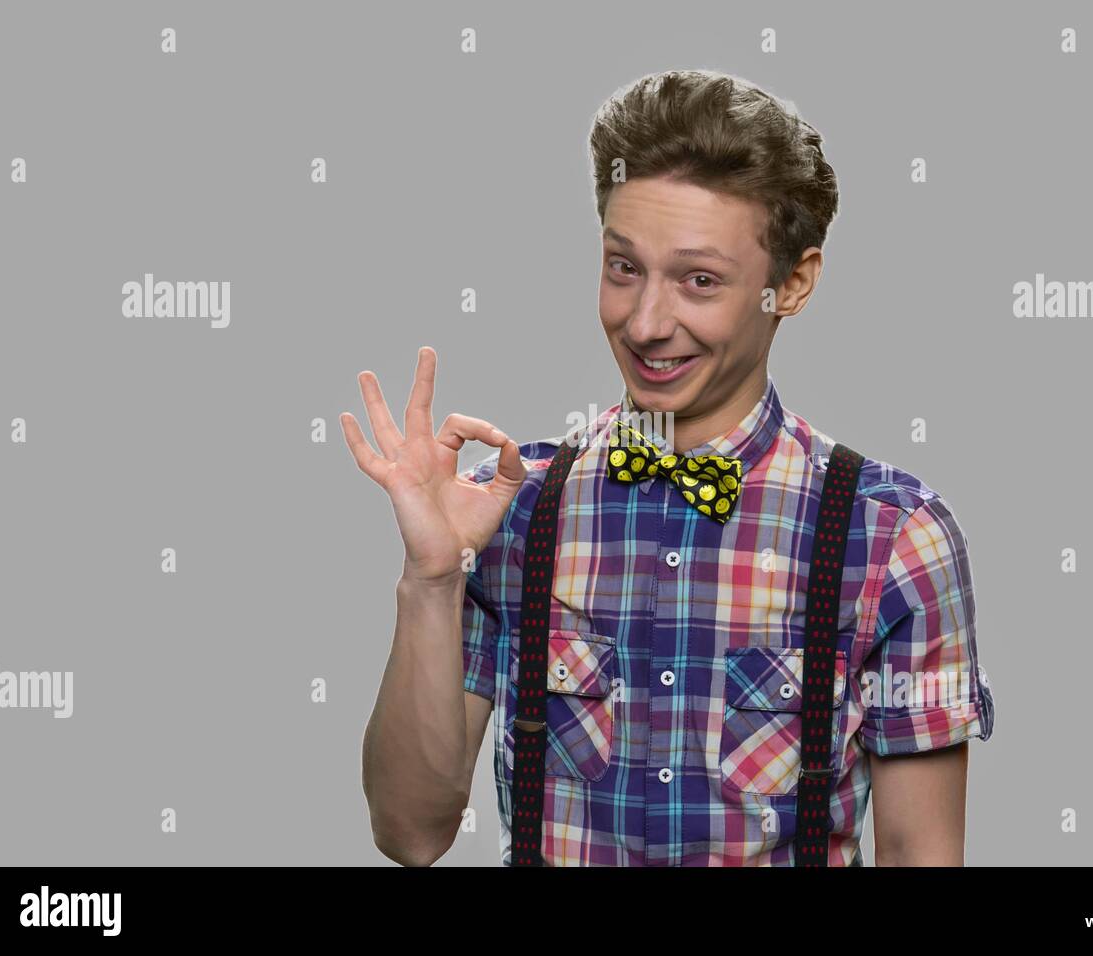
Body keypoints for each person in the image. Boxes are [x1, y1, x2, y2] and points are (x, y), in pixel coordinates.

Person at [341, 69, 995, 867]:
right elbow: (410, 833)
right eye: (624, 268)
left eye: (699, 281)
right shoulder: (512, 508)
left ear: (791, 284)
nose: (646, 323)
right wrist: (433, 578)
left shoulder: (892, 538)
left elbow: (919, 855)